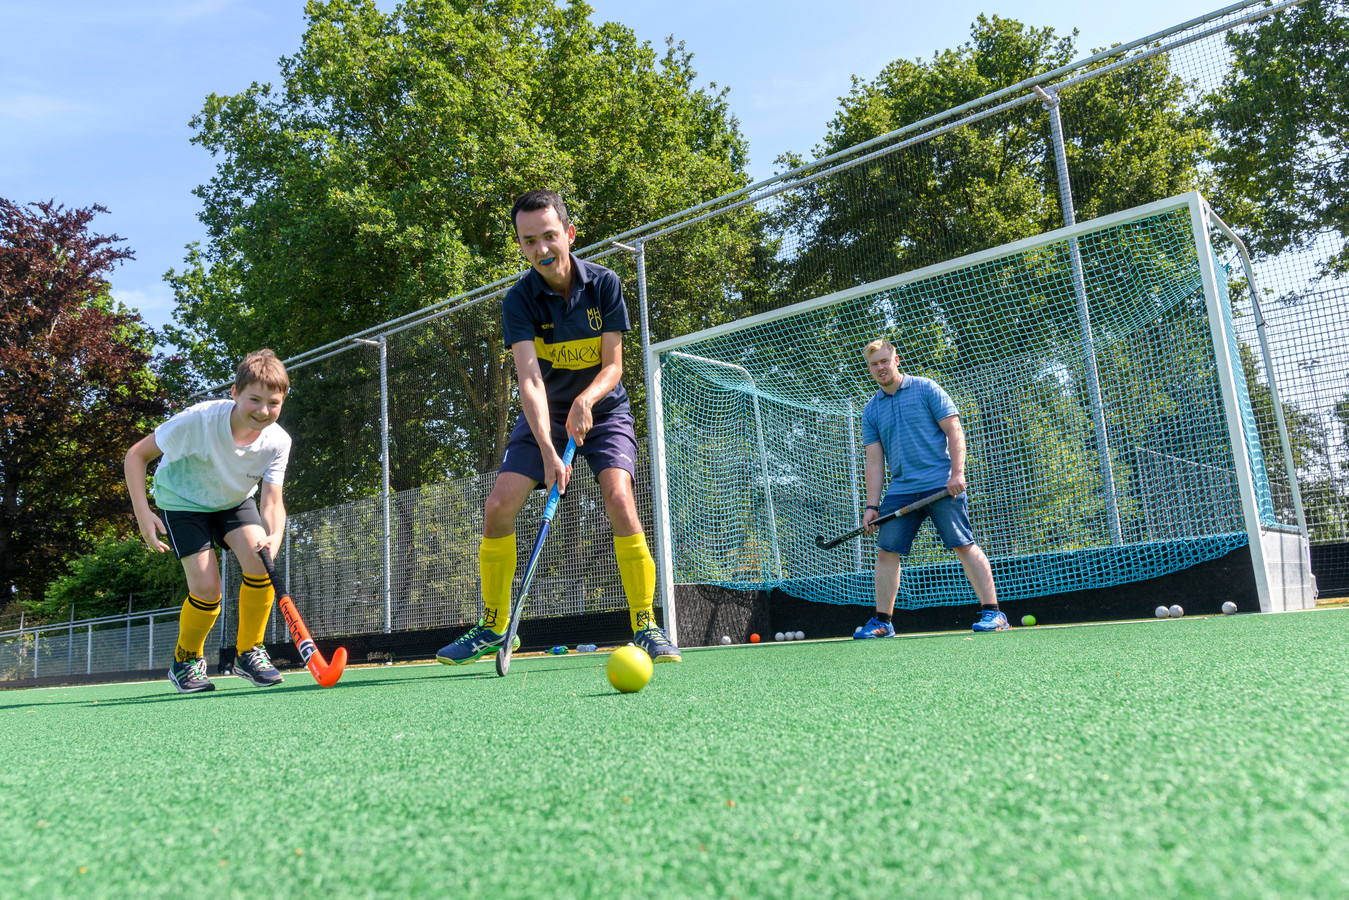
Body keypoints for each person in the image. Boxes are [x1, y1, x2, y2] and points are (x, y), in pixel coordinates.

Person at [436, 189, 681, 665]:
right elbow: (528, 380)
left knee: (618, 497)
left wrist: (586, 400)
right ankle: (493, 624)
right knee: (498, 505)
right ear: (521, 246)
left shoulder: (605, 284)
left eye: (549, 236)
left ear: (568, 233)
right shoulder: (519, 300)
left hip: (604, 409)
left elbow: (613, 366)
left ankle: (644, 623)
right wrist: (549, 450)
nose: (542, 249)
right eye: (529, 241)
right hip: (544, 414)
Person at [124, 350, 293, 693]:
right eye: (254, 400)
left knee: (260, 561)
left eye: (273, 403)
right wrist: (144, 515)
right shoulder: (199, 421)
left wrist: (274, 534)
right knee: (206, 589)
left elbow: (272, 500)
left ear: (282, 401)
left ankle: (249, 652)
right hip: (182, 501)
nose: (263, 411)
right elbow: (136, 455)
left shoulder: (278, 441)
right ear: (235, 393)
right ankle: (186, 661)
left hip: (232, 501)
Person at [853, 339, 1006, 637]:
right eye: (874, 364)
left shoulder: (927, 388)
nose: (880, 368)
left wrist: (957, 473)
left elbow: (954, 430)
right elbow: (874, 462)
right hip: (901, 490)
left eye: (885, 361)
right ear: (869, 369)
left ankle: (995, 614)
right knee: (886, 552)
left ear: (896, 360)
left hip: (941, 484)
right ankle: (882, 622)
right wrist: (872, 507)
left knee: (964, 545)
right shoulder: (871, 410)